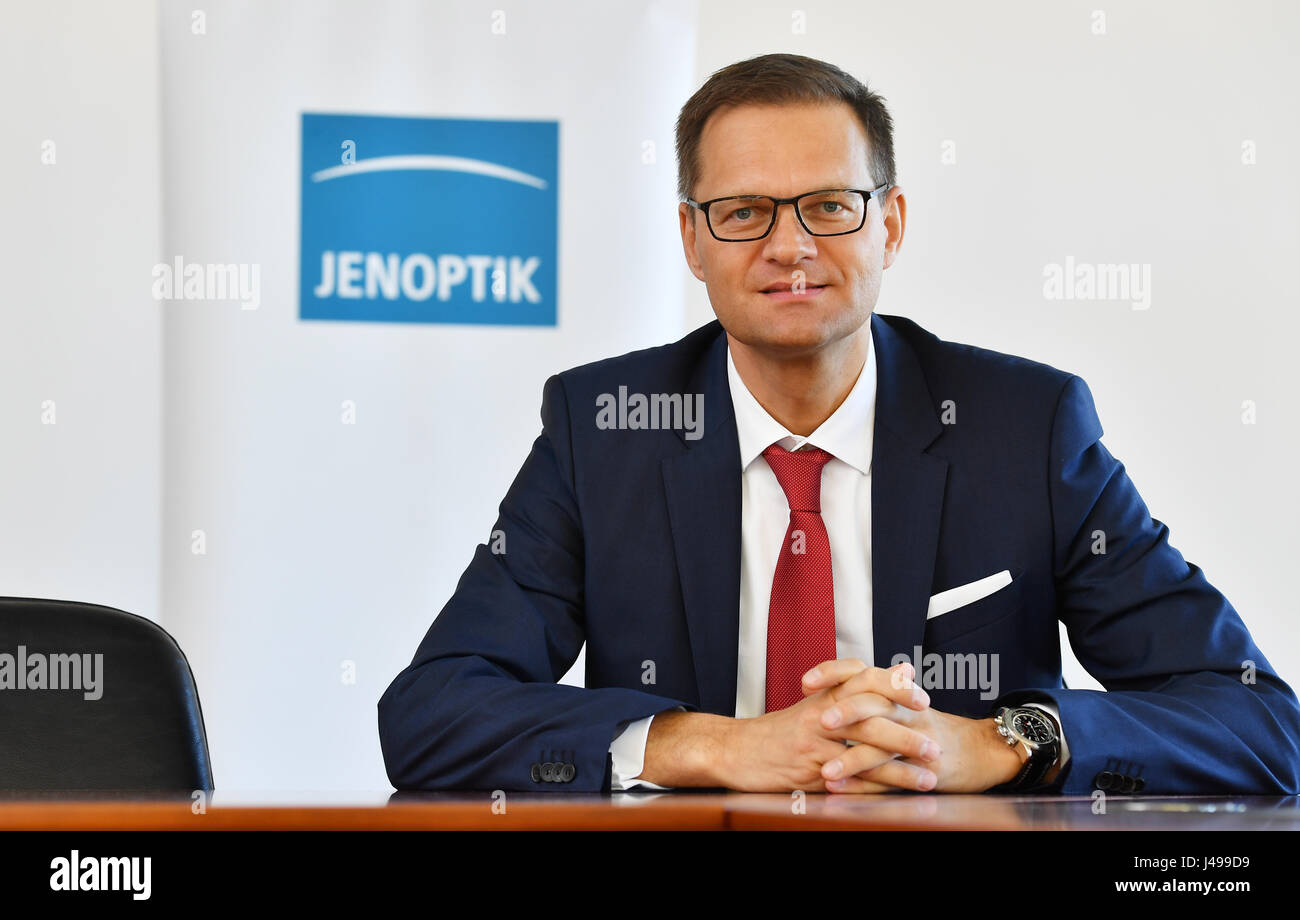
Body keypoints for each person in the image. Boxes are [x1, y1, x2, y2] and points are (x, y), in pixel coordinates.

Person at [378, 52, 1300, 796]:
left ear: (890, 225)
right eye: (743, 212)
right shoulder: (603, 430)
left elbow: (1259, 722)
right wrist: (704, 746)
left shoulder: (1026, 428)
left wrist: (1006, 742)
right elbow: (432, 713)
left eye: (828, 205)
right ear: (693, 240)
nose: (790, 246)